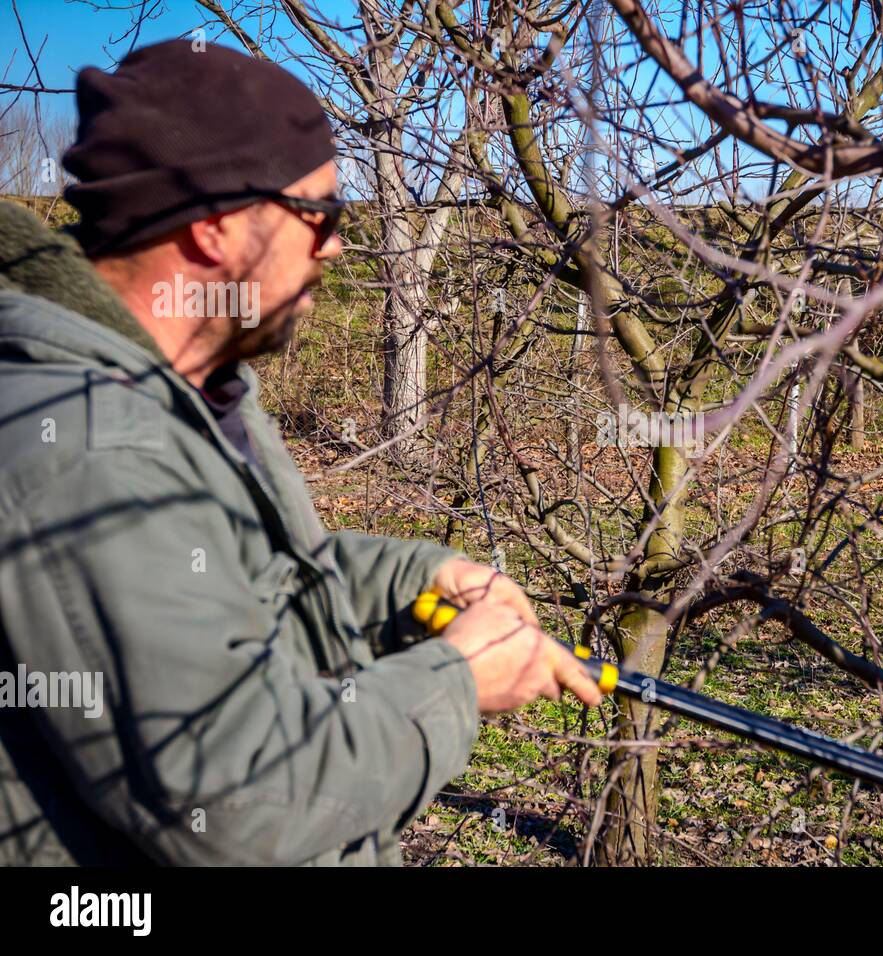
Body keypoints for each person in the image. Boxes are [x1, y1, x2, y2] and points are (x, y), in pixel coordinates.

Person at [0, 39, 599, 866]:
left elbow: (228, 577)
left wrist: (412, 579)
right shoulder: (87, 448)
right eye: (320, 216)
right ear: (214, 228)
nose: (336, 247)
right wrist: (458, 683)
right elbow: (237, 800)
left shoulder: (195, 389)